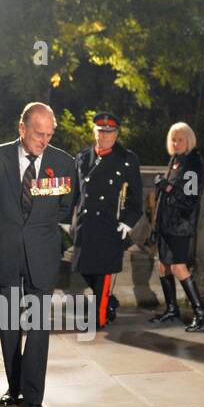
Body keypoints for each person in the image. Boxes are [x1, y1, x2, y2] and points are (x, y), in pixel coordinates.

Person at [0, 102, 80, 407]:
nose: (44, 141)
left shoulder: (64, 163)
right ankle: (14, 386)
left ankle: (33, 397)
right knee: (8, 323)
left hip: (42, 255)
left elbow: (66, 207)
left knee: (37, 328)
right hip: (5, 251)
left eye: (49, 134)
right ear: (22, 129)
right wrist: (13, 230)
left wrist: (34, 231)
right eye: (38, 134)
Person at [73, 112, 142, 329]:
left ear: (116, 134)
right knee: (83, 267)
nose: (104, 136)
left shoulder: (127, 159)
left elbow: (136, 197)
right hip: (86, 224)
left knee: (103, 272)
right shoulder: (83, 157)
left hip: (110, 224)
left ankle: (98, 318)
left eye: (109, 133)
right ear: (94, 132)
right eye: (100, 132)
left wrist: (128, 221)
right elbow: (75, 192)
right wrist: (67, 218)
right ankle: (109, 302)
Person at [149, 122, 204, 331]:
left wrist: (167, 186)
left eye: (180, 139)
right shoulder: (176, 160)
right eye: (173, 139)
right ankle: (172, 309)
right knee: (163, 265)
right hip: (166, 224)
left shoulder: (193, 163)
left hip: (181, 225)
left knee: (178, 266)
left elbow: (189, 199)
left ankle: (200, 313)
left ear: (189, 140)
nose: (176, 143)